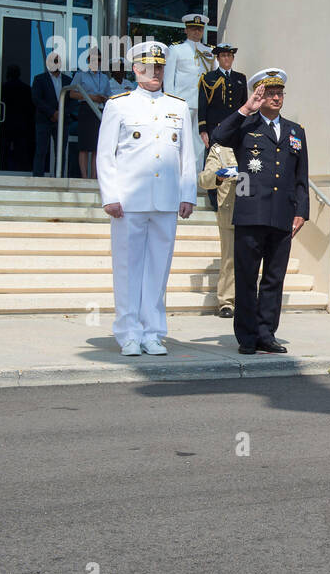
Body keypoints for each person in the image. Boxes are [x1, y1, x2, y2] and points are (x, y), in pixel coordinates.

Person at [96, 42, 197, 356]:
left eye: (160, 67)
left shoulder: (178, 106)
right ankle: (128, 333)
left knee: (158, 269)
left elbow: (187, 156)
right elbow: (105, 154)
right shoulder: (119, 105)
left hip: (166, 201)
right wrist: (110, 195)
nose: (155, 73)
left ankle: (153, 332)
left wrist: (188, 194)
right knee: (128, 268)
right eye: (149, 67)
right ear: (137, 70)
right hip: (130, 201)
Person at [210, 69, 310, 354]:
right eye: (269, 93)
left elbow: (301, 175)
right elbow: (219, 135)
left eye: (279, 94)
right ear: (258, 95)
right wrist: (244, 108)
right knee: (246, 276)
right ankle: (247, 337)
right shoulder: (246, 125)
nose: (276, 98)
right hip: (250, 212)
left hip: (281, 214)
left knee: (274, 278)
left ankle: (267, 333)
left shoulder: (295, 131)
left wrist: (301, 211)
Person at [164, 13, 214, 170]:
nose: (196, 32)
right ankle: (178, 171)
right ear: (186, 30)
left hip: (202, 102)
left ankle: (197, 172)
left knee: (199, 140)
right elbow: (168, 78)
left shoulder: (210, 51)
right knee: (179, 137)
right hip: (182, 101)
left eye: (199, 29)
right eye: (193, 28)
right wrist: (170, 101)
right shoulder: (176, 49)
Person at [198, 141, 239, 317]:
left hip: (258, 209)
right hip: (231, 210)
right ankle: (227, 302)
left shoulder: (261, 142)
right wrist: (219, 175)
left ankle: (249, 300)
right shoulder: (220, 149)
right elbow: (204, 180)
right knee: (230, 257)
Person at [197, 42, 248, 151]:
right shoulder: (208, 77)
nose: (226, 58)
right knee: (214, 160)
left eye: (229, 55)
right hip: (215, 127)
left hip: (236, 128)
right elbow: (202, 104)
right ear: (218, 58)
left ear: (233, 58)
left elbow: (244, 104)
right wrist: (203, 129)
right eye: (223, 56)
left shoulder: (240, 78)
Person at [72, 48, 113, 181]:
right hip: (86, 109)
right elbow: (72, 93)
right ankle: (84, 177)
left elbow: (109, 96)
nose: (97, 62)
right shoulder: (81, 74)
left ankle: (94, 177)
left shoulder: (105, 77)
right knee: (84, 146)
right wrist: (91, 97)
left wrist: (103, 98)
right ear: (89, 60)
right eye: (94, 59)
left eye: (100, 59)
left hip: (100, 111)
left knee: (97, 146)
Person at [31, 53, 74, 177]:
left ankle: (58, 178)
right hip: (44, 120)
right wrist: (52, 113)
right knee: (41, 150)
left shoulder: (68, 80)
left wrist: (61, 113)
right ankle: (38, 178)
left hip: (62, 121)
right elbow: (36, 99)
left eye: (57, 60)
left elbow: (72, 101)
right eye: (53, 60)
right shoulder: (39, 79)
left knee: (61, 152)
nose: (56, 63)